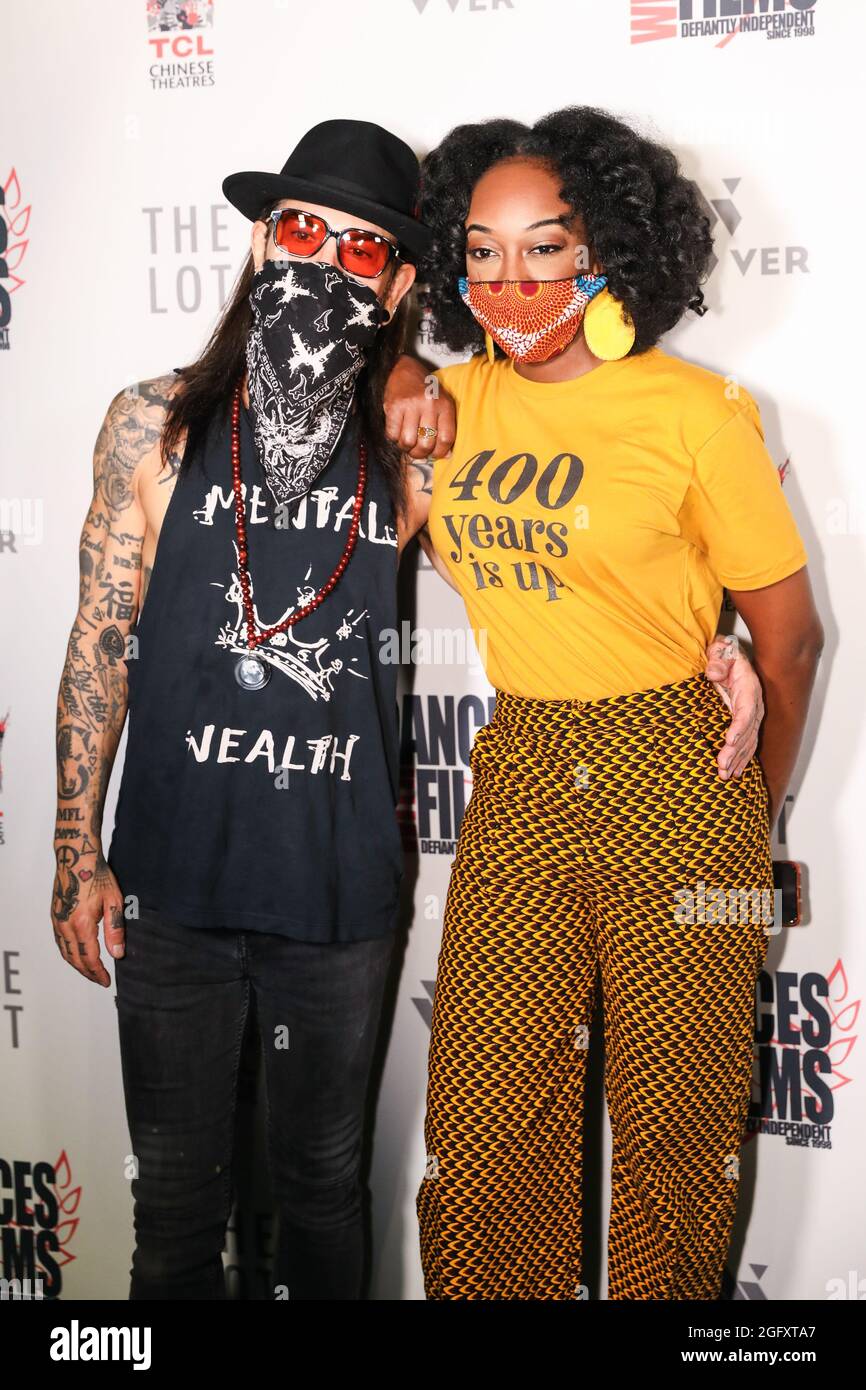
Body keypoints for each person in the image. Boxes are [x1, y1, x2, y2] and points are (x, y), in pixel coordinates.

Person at [395, 107, 824, 1300]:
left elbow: (787, 644)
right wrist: (395, 369)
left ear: (607, 250)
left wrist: (755, 815)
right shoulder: (448, 405)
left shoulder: (694, 414)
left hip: (687, 780)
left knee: (675, 1142)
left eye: (543, 245)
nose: (510, 277)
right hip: (524, 769)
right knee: (479, 1137)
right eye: (480, 249)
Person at [50, 118, 455, 1301]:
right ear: (260, 244)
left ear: (398, 286)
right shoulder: (153, 422)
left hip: (334, 891)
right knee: (172, 1204)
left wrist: (712, 645)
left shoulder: (425, 442)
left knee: (322, 1189)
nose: (325, 260)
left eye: (362, 247)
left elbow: (572, 557)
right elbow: (99, 642)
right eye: (299, 228)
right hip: (172, 886)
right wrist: (77, 850)